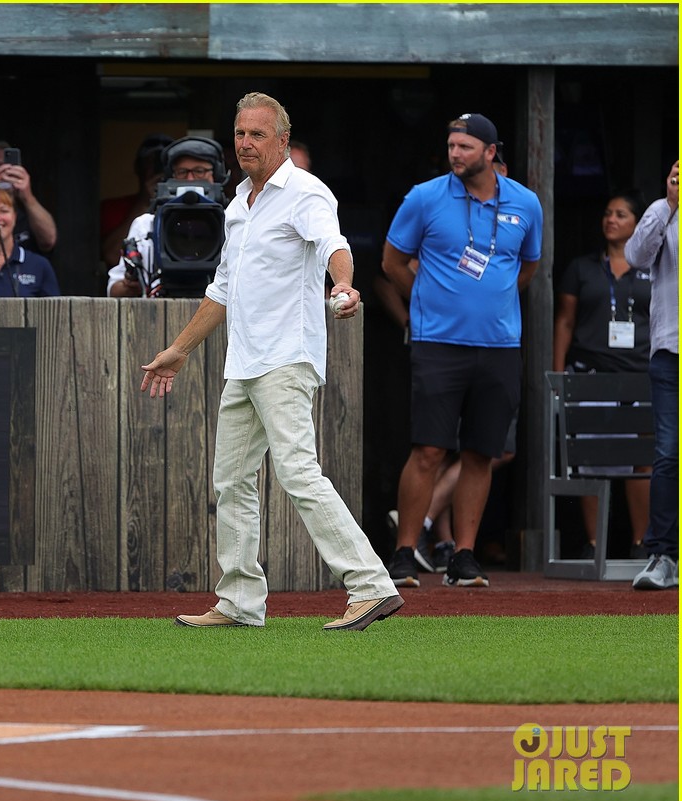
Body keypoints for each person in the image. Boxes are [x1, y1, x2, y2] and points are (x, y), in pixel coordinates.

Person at [141, 92, 402, 632]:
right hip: (244, 363)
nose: (245, 143)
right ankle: (239, 601)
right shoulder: (237, 204)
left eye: (257, 134)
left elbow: (334, 245)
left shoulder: (306, 191)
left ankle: (371, 585)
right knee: (231, 481)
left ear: (282, 141)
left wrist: (344, 285)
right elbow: (222, 290)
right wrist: (178, 350)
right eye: (240, 134)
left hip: (286, 358)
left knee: (298, 472)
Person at [382, 113, 543, 588]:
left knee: (481, 451)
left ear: (490, 152)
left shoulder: (526, 203)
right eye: (452, 145)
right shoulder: (425, 196)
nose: (455, 153)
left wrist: (494, 303)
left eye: (466, 147)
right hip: (438, 343)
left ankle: (464, 555)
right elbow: (392, 262)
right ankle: (404, 552)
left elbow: (528, 267)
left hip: (499, 346)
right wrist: (428, 304)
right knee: (429, 448)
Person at [553, 192, 652, 556]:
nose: (611, 219)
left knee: (642, 458)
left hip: (641, 373)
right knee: (590, 455)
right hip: (591, 373)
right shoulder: (582, 267)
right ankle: (594, 543)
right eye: (608, 213)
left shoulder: (655, 266)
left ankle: (641, 543)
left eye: (621, 214)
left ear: (638, 223)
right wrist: (558, 374)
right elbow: (565, 321)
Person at [626, 161, 679, 590]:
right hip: (670, 351)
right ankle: (663, 556)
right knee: (668, 454)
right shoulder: (664, 211)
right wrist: (669, 204)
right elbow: (635, 257)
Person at [105, 136, 228, 298]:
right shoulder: (146, 225)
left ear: (216, 175)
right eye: (182, 172)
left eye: (199, 171)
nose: (190, 179)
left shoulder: (233, 221)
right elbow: (114, 289)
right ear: (171, 177)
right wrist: (131, 286)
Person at [100, 133, 173, 265]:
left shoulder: (187, 207)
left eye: (165, 164)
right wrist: (146, 202)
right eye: (151, 162)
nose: (159, 169)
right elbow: (113, 257)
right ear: (138, 167)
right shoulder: (113, 208)